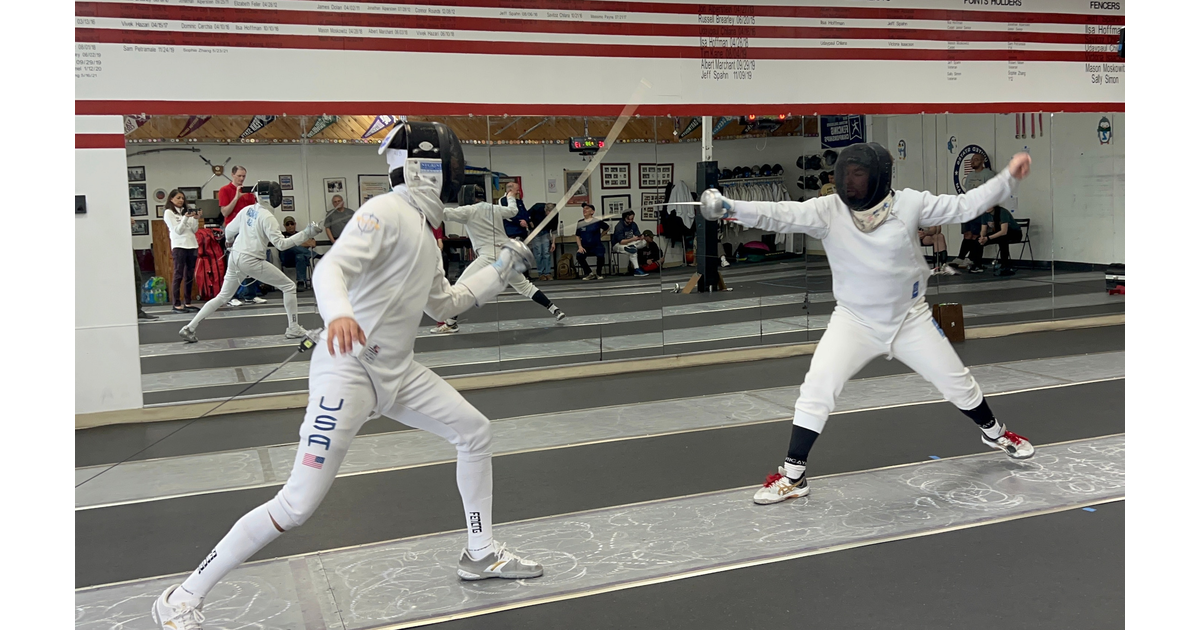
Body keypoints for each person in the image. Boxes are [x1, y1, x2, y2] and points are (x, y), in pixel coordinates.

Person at [152, 122, 543, 630]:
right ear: (432, 166)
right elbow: (328, 269)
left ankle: (480, 552)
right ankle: (180, 598)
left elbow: (445, 303)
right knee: (295, 506)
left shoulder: (425, 232)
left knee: (475, 431)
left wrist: (500, 271)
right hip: (349, 371)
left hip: (397, 373)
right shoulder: (385, 211)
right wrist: (338, 314)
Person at [697, 142, 1037, 506]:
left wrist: (1008, 178)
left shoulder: (910, 203)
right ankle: (793, 475)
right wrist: (730, 206)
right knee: (817, 388)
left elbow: (965, 205)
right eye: (845, 173)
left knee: (957, 382)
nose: (850, 181)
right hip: (854, 320)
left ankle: (996, 433)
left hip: (910, 318)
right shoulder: (828, 209)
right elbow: (780, 214)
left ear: (877, 176)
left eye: (858, 173)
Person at [178, 181, 322, 344]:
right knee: (289, 286)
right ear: (269, 197)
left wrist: (230, 241)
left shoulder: (247, 210)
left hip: (235, 257)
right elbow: (281, 245)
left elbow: (229, 231)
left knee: (223, 296)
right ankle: (293, 328)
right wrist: (306, 233)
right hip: (250, 259)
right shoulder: (268, 217)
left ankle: (189, 327)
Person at [429, 185, 566, 334]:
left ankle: (450, 323)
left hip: (488, 256)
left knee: (462, 286)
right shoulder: (495, 208)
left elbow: (443, 213)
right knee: (525, 286)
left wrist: (425, 200)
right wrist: (511, 196)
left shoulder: (468, 210)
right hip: (506, 254)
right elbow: (513, 211)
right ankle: (555, 309)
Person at [218, 167, 266, 305]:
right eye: (239, 176)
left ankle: (250, 294)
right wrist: (236, 198)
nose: (241, 179)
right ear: (232, 175)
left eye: (244, 176)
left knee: (251, 259)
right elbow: (225, 212)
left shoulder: (249, 193)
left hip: (248, 230)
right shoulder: (225, 190)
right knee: (233, 263)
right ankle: (231, 296)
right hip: (233, 229)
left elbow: (254, 211)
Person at [163, 189, 201, 313]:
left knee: (189, 275)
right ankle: (176, 303)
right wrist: (185, 218)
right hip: (179, 246)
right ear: (171, 199)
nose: (181, 200)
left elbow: (194, 230)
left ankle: (188, 302)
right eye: (178, 198)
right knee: (178, 274)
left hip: (192, 245)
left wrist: (195, 218)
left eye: (182, 198)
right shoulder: (169, 213)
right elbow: (178, 231)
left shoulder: (186, 212)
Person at [979, 205, 1022, 276]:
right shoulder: (984, 214)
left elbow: (1004, 231)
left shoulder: (1002, 212)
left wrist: (988, 238)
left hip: (1013, 233)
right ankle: (977, 264)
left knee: (1002, 240)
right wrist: (982, 237)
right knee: (978, 241)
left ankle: (1005, 265)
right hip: (998, 233)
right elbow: (983, 229)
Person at [280, 216, 317, 291]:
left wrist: (293, 243)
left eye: (292, 224)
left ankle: (300, 282)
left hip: (301, 260)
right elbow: (283, 245)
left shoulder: (301, 234)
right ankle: (314, 254)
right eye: (287, 224)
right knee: (289, 246)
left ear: (295, 224)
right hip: (287, 259)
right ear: (284, 226)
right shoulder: (281, 235)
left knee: (299, 256)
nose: (290, 226)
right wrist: (300, 243)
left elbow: (313, 243)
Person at [575, 203, 609, 280]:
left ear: (592, 212)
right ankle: (589, 273)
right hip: (585, 246)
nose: (584, 210)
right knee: (579, 256)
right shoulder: (580, 222)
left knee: (601, 255)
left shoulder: (597, 221)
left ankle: (598, 273)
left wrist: (600, 235)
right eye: (583, 208)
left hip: (596, 245)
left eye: (587, 208)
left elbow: (607, 228)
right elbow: (577, 235)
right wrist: (580, 246)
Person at [612, 210, 651, 277]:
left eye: (632, 219)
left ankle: (632, 247)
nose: (630, 221)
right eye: (628, 219)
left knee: (643, 242)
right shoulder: (619, 226)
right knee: (632, 251)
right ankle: (636, 269)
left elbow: (637, 234)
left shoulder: (633, 224)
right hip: (618, 244)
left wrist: (641, 237)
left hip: (630, 243)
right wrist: (633, 239)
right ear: (624, 218)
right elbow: (621, 241)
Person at [527, 201, 557, 281]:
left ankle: (548, 273)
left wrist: (553, 243)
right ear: (546, 210)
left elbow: (554, 229)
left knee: (546, 253)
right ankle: (541, 273)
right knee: (538, 253)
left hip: (546, 232)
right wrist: (530, 223)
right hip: (535, 232)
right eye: (548, 213)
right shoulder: (537, 207)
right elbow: (527, 215)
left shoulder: (555, 213)